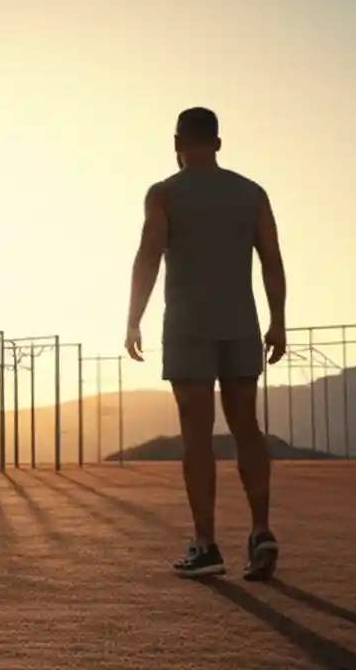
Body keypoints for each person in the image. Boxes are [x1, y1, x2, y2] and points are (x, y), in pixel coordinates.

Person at [124, 107, 287, 581]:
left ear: (177, 143)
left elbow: (148, 255)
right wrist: (278, 321)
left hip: (188, 327)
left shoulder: (164, 194)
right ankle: (261, 530)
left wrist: (133, 319)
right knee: (246, 428)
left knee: (197, 437)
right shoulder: (252, 194)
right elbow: (272, 260)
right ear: (217, 143)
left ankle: (205, 543)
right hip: (240, 323)